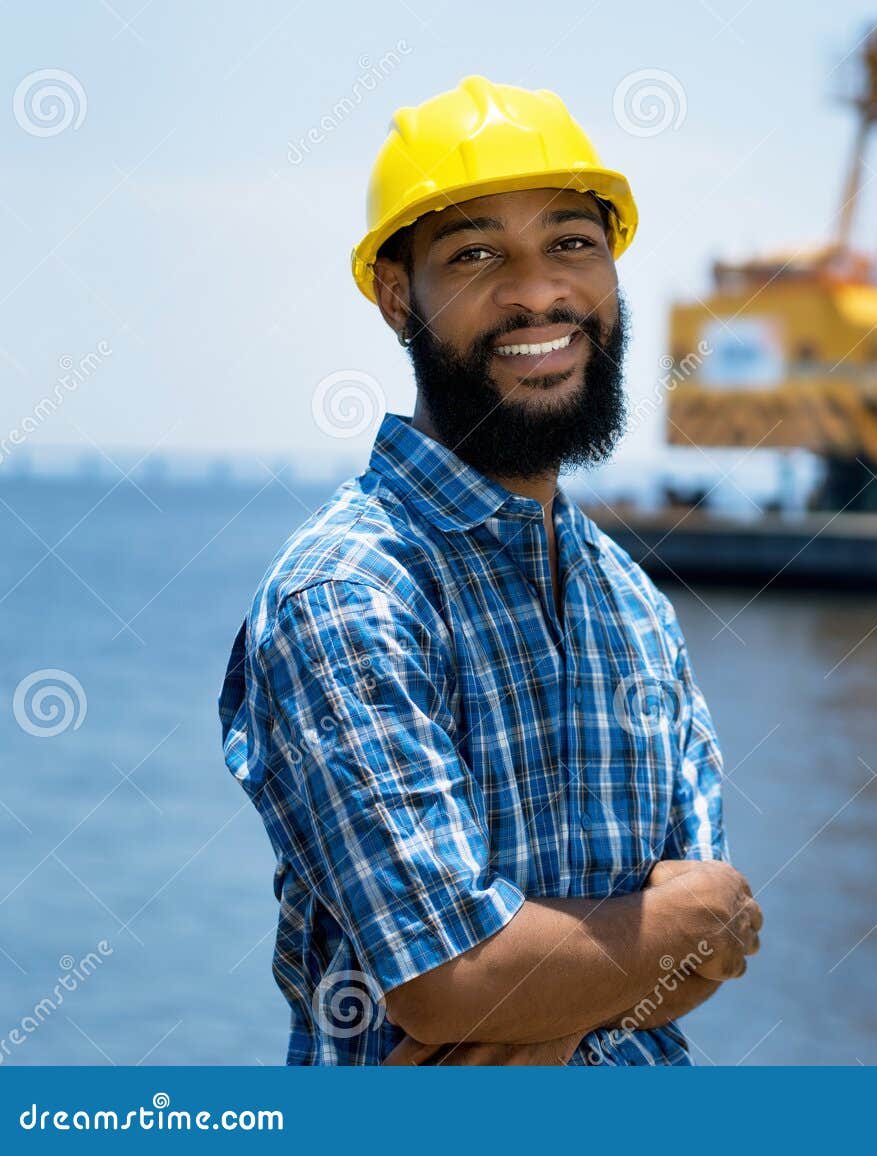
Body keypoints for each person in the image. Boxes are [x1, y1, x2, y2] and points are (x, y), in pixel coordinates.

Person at [218, 76, 761, 1066]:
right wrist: (650, 936)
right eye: (476, 256)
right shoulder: (350, 593)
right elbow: (444, 980)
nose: (539, 292)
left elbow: (712, 943)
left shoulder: (628, 600)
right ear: (396, 297)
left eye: (571, 243)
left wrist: (536, 990)